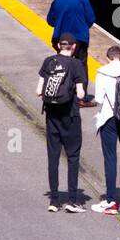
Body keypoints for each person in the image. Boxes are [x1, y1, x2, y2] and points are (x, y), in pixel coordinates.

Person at [36, 33, 88, 213]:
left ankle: (54, 200)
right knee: (73, 157)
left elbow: (38, 91)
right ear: (73, 47)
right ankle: (73, 201)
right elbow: (81, 94)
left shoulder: (48, 61)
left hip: (52, 117)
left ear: (58, 45)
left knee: (53, 157)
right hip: (71, 117)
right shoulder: (77, 64)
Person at [91, 46, 120, 215]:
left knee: (110, 159)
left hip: (109, 119)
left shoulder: (102, 72)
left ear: (108, 58)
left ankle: (111, 202)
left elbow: (98, 99)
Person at [46, 0, 96, 82]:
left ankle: (65, 89)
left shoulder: (58, 0)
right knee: (81, 64)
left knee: (63, 63)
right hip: (80, 38)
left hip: (62, 38)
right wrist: (82, 27)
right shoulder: (83, 0)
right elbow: (91, 19)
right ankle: (82, 94)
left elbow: (50, 21)